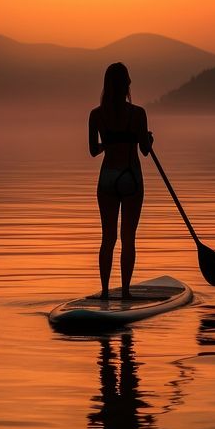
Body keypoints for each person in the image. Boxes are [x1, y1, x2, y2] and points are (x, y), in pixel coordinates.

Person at [88, 62, 153, 300]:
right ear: (125, 84)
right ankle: (125, 292)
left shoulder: (96, 115)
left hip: (108, 177)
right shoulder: (138, 114)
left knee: (108, 239)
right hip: (131, 177)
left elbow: (93, 151)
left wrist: (109, 143)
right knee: (128, 238)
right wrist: (147, 140)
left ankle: (105, 292)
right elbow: (144, 150)